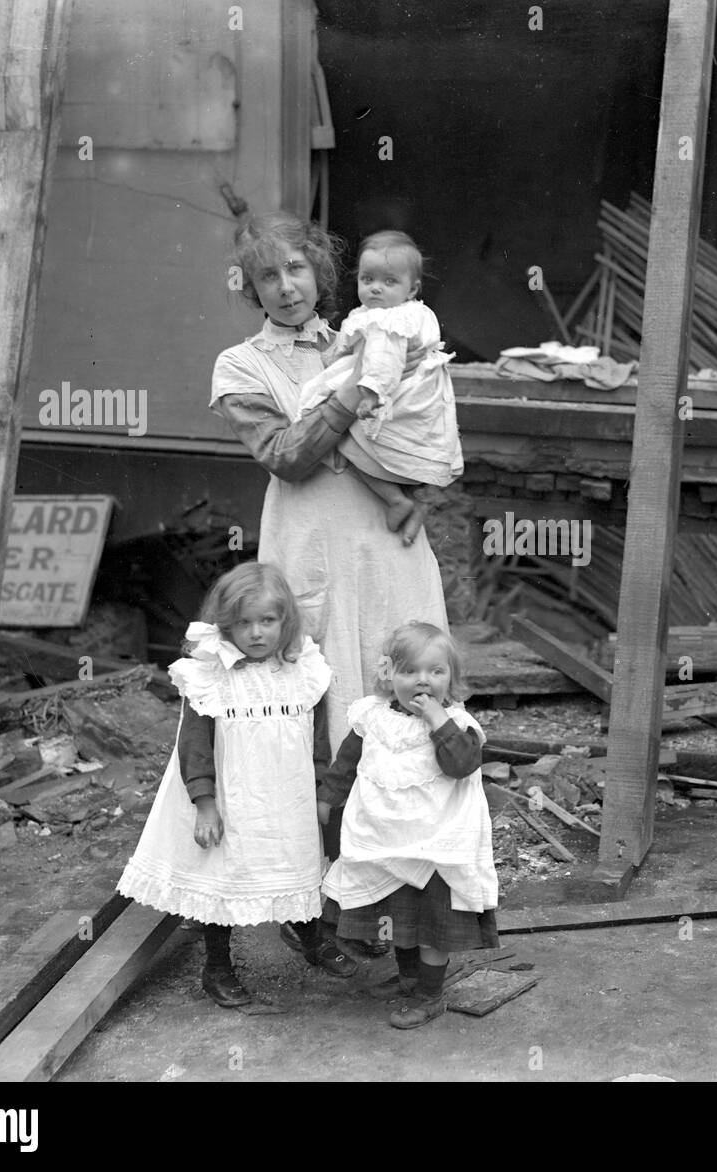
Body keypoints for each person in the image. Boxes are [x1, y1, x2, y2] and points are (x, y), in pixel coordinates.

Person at [211, 211, 452, 961]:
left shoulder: (377, 327)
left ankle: (390, 909)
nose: (285, 288)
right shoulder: (240, 367)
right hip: (311, 551)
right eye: (267, 277)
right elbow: (286, 455)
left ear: (321, 272)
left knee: (401, 713)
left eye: (296, 270)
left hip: (386, 546)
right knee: (314, 729)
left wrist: (416, 493)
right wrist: (352, 398)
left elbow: (427, 423)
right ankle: (310, 907)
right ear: (249, 289)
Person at [117, 562, 348, 1008]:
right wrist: (205, 804)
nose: (257, 633)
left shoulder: (304, 672)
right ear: (226, 624)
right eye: (244, 623)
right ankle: (217, 967)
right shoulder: (209, 675)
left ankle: (310, 937)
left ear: (286, 621)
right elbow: (195, 747)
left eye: (268, 621)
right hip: (230, 795)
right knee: (223, 877)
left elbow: (318, 741)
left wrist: (322, 793)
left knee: (296, 864)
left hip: (288, 795)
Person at [317, 621, 499, 1029]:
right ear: (389, 676)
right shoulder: (373, 717)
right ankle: (409, 978)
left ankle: (430, 993)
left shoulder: (458, 723)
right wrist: (328, 797)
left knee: (433, 923)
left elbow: (460, 766)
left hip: (437, 843)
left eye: (436, 672)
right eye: (410, 671)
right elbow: (347, 762)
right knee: (398, 917)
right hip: (387, 839)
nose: (423, 682)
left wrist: (437, 719)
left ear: (451, 679)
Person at [298, 229, 462, 546]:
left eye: (389, 282)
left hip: (392, 396)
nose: (375, 289)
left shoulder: (392, 321)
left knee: (344, 438)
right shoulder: (379, 314)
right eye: (368, 279)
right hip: (401, 393)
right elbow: (346, 347)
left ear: (412, 288)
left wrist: (370, 392)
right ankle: (403, 500)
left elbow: (383, 363)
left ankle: (394, 499)